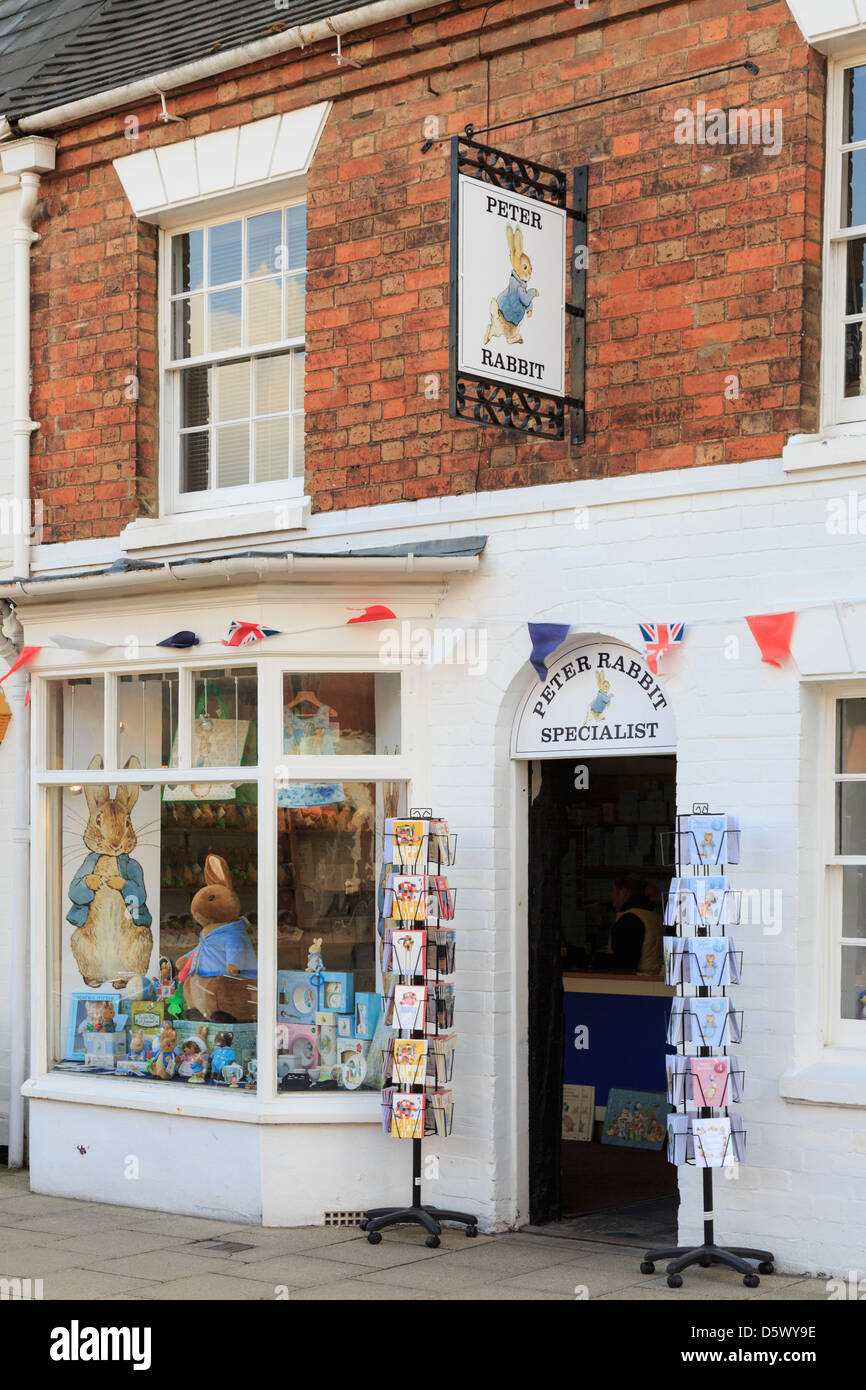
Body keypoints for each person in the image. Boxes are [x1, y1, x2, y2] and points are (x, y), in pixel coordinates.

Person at [608, 873, 663, 974]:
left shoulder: (630, 919)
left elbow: (624, 963)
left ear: (624, 892)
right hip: (654, 980)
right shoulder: (654, 916)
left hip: (637, 982)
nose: (611, 895)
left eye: (613, 890)